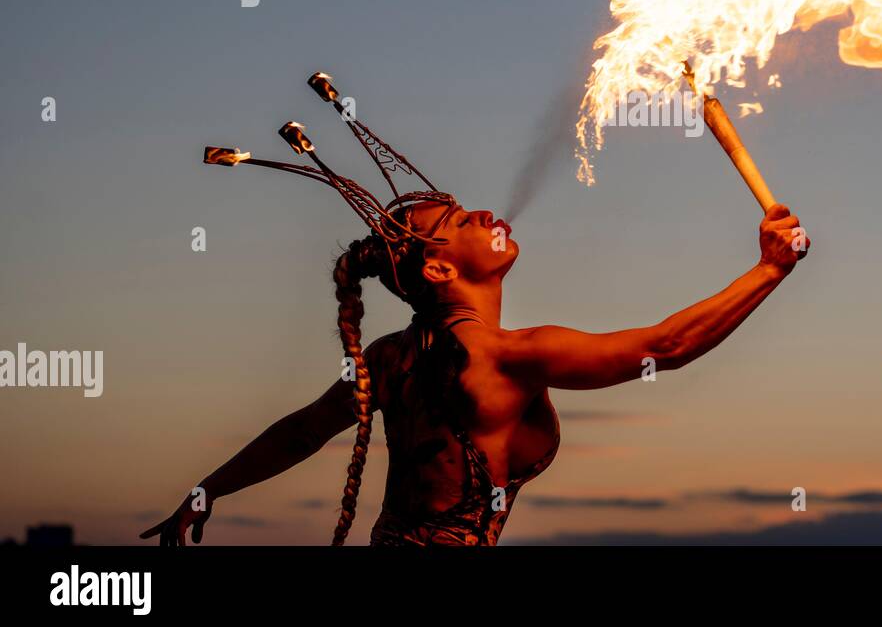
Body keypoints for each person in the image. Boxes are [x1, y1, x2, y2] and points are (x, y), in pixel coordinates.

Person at [142, 197, 808, 546]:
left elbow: (302, 432)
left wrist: (207, 491)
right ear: (438, 268)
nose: (488, 215)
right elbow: (667, 347)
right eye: (462, 221)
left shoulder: (393, 356)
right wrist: (769, 269)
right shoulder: (514, 355)